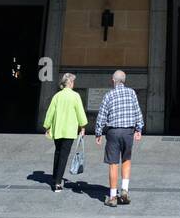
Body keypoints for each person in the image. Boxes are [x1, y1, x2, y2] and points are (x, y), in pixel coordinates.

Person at [94, 69, 144, 207]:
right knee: (127, 159)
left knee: (113, 163)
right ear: (124, 80)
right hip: (128, 131)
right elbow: (137, 112)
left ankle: (112, 197)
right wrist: (139, 128)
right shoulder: (131, 93)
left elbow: (102, 116)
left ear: (113, 80)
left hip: (113, 132)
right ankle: (125, 191)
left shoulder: (109, 95)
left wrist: (98, 133)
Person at [43, 73, 87, 192]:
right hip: (69, 130)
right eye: (73, 82)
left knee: (57, 152)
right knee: (63, 155)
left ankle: (54, 176)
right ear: (70, 83)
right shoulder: (75, 96)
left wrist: (47, 126)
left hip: (58, 129)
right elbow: (80, 113)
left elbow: (50, 112)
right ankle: (57, 182)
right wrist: (82, 126)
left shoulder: (57, 96)